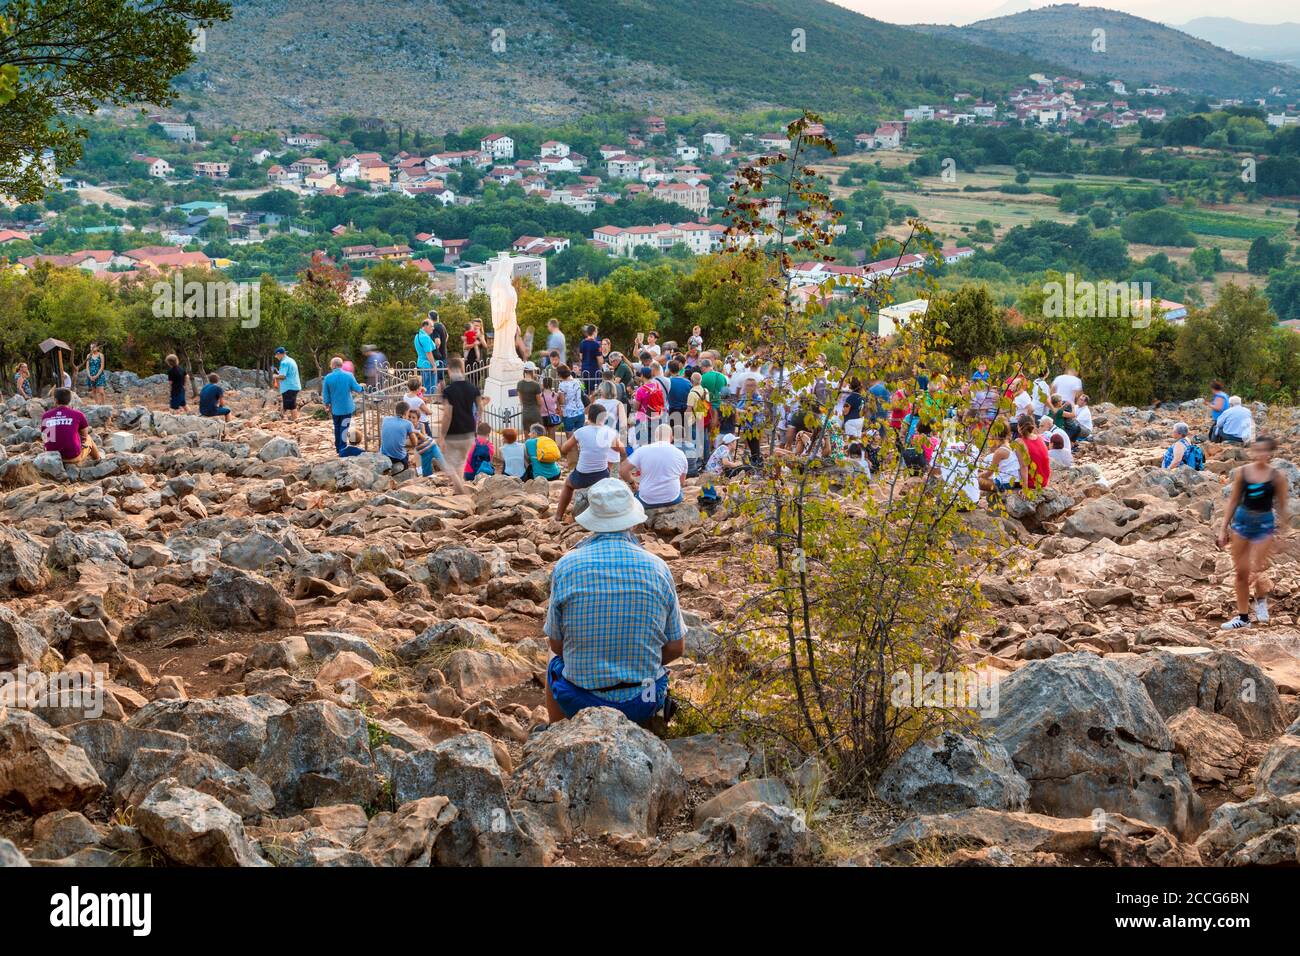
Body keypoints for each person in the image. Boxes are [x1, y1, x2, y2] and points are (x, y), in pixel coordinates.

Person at [543, 478, 683, 724]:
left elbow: (557, 645)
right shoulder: (658, 568)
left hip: (580, 699)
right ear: (632, 521)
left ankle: (558, 732)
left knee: (551, 660)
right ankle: (649, 727)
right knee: (656, 675)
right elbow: (675, 648)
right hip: (644, 699)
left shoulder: (567, 565)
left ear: (592, 520)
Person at [1218, 436, 1289, 630]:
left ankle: (1260, 599)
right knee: (1241, 573)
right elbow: (1233, 501)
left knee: (1257, 570)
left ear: (1270, 453)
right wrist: (1223, 528)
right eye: (1256, 450)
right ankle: (1243, 618)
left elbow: (1282, 507)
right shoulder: (1243, 472)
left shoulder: (1277, 477)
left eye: (1264, 450)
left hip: (1264, 526)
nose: (1260, 454)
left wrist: (1282, 532)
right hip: (1241, 524)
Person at [555, 404, 624, 522]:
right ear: (604, 418)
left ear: (589, 417)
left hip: (582, 475)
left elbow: (564, 449)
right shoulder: (609, 433)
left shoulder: (580, 432)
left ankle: (558, 516)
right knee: (608, 467)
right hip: (601, 476)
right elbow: (621, 450)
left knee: (568, 485)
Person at [620, 423, 688, 509]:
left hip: (647, 500)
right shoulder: (681, 454)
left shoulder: (642, 450)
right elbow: (681, 483)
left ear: (655, 437)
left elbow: (622, 470)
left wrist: (632, 482)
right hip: (673, 499)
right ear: (671, 437)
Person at [440, 357, 483, 468]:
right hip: (469, 432)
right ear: (462, 369)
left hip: (453, 434)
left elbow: (447, 415)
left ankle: (459, 486)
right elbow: (480, 408)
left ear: (449, 370)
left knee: (449, 468)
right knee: (460, 465)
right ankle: (460, 485)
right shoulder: (473, 388)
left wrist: (442, 435)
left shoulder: (448, 391)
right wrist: (476, 423)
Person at [42, 387, 101, 465]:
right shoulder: (78, 414)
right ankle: (98, 460)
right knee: (89, 439)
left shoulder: (46, 415)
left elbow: (45, 437)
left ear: (55, 400)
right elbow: (84, 436)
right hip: (72, 457)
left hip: (52, 457)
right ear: (69, 400)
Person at [320, 357, 364, 454]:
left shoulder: (328, 377)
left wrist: (327, 404)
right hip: (347, 407)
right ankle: (342, 448)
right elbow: (357, 388)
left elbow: (325, 394)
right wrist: (363, 388)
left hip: (335, 408)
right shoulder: (349, 375)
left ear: (333, 365)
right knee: (344, 427)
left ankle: (338, 447)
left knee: (337, 426)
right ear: (341, 365)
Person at [978, 420, 1023, 493]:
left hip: (1006, 484)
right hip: (1016, 482)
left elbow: (989, 473)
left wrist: (976, 476)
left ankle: (1001, 491)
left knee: (977, 481)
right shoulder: (1010, 445)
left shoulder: (1000, 451)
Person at [380, 401, 418, 473]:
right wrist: (414, 432)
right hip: (397, 457)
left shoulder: (386, 419)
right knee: (406, 455)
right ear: (406, 412)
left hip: (383, 454)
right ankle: (405, 472)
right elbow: (415, 443)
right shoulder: (408, 424)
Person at [1015, 414, 1051, 489]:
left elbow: (1023, 466)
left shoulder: (1019, 442)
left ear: (1019, 427)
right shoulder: (1040, 438)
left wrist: (1025, 488)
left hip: (1032, 482)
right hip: (1044, 481)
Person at [272, 347, 300, 422]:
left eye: (276, 355)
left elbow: (283, 376)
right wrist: (279, 373)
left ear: (279, 354)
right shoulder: (291, 360)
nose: (276, 357)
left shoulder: (284, 362)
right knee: (287, 405)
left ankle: (296, 421)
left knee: (291, 406)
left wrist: (275, 376)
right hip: (294, 385)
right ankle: (280, 418)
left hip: (289, 387)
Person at [516, 362, 543, 435]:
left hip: (525, 413)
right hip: (535, 412)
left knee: (527, 435)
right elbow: (539, 402)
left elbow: (521, 401)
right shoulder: (536, 385)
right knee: (538, 435)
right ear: (532, 371)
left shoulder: (519, 384)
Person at [414, 318, 437, 391]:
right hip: (428, 365)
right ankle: (428, 401)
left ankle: (424, 400)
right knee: (429, 387)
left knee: (423, 386)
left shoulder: (417, 336)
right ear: (425, 326)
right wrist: (434, 365)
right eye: (431, 326)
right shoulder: (425, 337)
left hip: (421, 364)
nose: (433, 328)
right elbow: (428, 353)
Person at [579, 324, 602, 392]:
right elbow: (600, 360)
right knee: (594, 391)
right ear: (594, 332)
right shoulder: (596, 344)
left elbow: (581, 357)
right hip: (593, 371)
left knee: (586, 390)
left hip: (584, 370)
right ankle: (592, 402)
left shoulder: (582, 343)